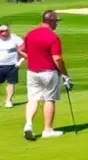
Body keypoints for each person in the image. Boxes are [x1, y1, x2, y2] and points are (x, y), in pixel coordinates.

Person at [20, 10, 72, 141]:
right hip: (49, 72)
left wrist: (31, 58)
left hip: (32, 72)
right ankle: (47, 130)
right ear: (51, 21)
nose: (57, 24)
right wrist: (65, 75)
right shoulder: (53, 37)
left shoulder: (30, 34)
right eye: (56, 22)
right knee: (49, 99)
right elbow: (57, 59)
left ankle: (28, 125)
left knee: (33, 99)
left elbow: (21, 49)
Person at [0, 24, 23, 108]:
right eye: (2, 31)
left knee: (11, 83)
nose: (4, 33)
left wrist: (20, 61)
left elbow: (24, 50)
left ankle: (8, 100)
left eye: (6, 31)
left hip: (13, 66)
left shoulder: (15, 38)